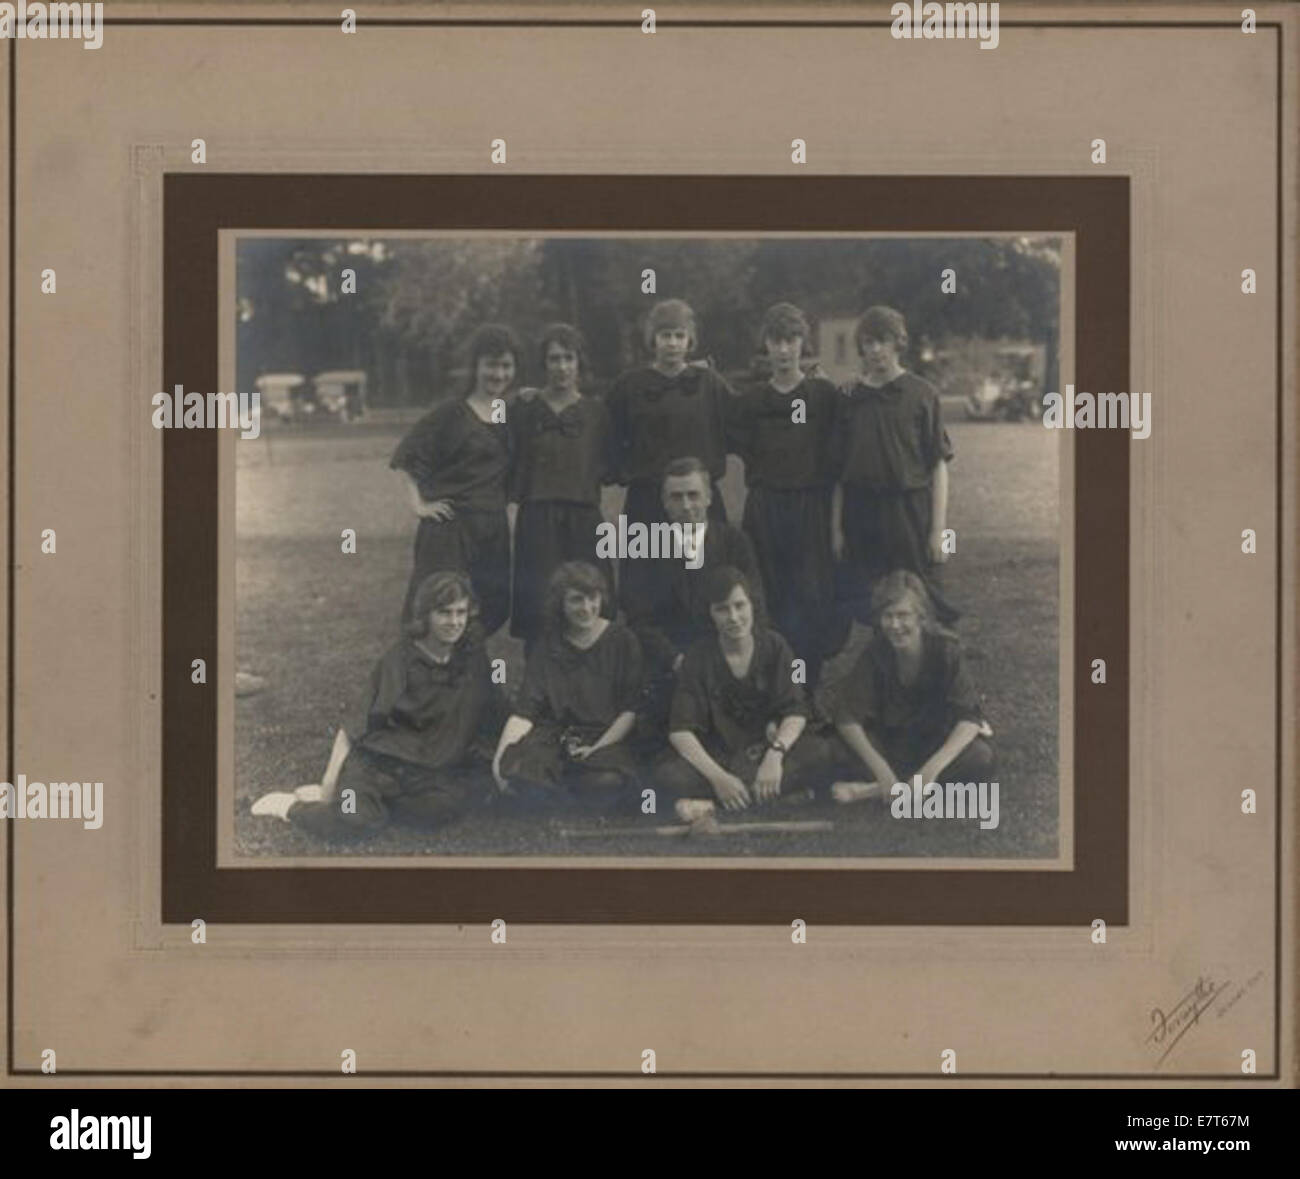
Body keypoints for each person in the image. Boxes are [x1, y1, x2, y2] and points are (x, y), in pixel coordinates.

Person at [250, 572, 496, 839]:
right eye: (444, 613)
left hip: (423, 773)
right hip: (376, 766)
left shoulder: (472, 659)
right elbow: (354, 726)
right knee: (356, 823)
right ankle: (292, 807)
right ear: (426, 615)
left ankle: (369, 804)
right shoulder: (399, 661)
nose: (455, 622)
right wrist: (328, 786)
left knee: (443, 809)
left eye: (461, 612)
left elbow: (496, 709)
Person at [651, 565, 831, 818]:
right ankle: (770, 797)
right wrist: (719, 778)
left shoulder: (775, 645)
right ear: (710, 614)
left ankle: (713, 805)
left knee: (821, 752)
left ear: (752, 605)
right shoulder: (698, 656)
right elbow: (680, 732)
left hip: (763, 753)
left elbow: (796, 710)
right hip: (720, 757)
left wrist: (775, 756)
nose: (733, 617)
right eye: (722, 609)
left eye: (739, 605)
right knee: (669, 777)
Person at [731, 302, 848, 690]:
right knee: (770, 598)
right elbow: (742, 445)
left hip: (810, 507)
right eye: (776, 341)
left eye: (791, 340)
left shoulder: (823, 394)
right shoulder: (751, 401)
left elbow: (840, 451)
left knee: (810, 599)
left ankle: (806, 691)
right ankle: (773, 689)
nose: (783, 350)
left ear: (803, 342)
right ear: (765, 344)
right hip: (766, 507)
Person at [830, 305, 960, 625]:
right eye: (868, 342)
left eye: (882, 341)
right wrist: (835, 529)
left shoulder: (922, 394)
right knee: (872, 601)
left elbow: (938, 465)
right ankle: (885, 669)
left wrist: (938, 530)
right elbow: (837, 472)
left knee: (921, 596)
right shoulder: (848, 398)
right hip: (861, 511)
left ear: (898, 343)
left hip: (909, 510)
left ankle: (932, 666)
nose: (875, 350)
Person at [390, 323, 522, 634]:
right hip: (450, 530)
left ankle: (466, 678)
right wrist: (418, 505)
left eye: (506, 366)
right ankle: (425, 678)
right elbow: (407, 457)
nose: (498, 374)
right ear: (476, 365)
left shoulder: (508, 413)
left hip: (492, 528)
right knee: (438, 609)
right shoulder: (452, 412)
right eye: (491, 365)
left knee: (490, 608)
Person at [621, 456, 763, 743]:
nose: (686, 506)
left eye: (693, 495)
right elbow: (639, 620)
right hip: (673, 664)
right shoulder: (645, 547)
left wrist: (732, 659)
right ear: (664, 502)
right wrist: (677, 660)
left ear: (709, 497)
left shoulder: (734, 542)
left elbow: (755, 607)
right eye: (676, 497)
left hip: (728, 657)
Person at [826, 570, 993, 802]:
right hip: (892, 745)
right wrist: (882, 771)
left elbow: (969, 718)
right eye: (888, 616)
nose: (895, 625)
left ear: (921, 617)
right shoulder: (876, 652)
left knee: (979, 757)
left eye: (903, 615)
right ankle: (899, 787)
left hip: (933, 744)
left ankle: (868, 791)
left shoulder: (946, 651)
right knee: (837, 749)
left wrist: (930, 771)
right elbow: (847, 718)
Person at [493, 562, 643, 809]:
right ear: (560, 604)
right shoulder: (548, 643)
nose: (586, 608)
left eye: (592, 598)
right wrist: (499, 763)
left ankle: (558, 791)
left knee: (607, 780)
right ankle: (560, 788)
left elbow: (630, 711)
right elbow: (525, 712)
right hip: (556, 739)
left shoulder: (623, 641)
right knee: (518, 768)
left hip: (606, 739)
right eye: (576, 600)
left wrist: (596, 749)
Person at [508, 324, 618, 645]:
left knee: (590, 594)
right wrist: (512, 397)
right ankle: (541, 676)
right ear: (543, 364)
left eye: (569, 358)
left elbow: (612, 464)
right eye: (554, 359)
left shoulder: (597, 412)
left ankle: (592, 672)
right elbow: (493, 427)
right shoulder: (524, 409)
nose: (562, 367)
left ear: (579, 362)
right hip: (537, 516)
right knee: (540, 599)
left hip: (583, 515)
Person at [606, 298, 738, 545]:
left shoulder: (709, 383)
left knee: (705, 573)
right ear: (653, 339)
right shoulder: (630, 386)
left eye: (680, 335)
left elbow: (743, 418)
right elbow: (603, 429)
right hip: (647, 502)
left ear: (690, 340)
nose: (673, 343)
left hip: (697, 501)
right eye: (665, 335)